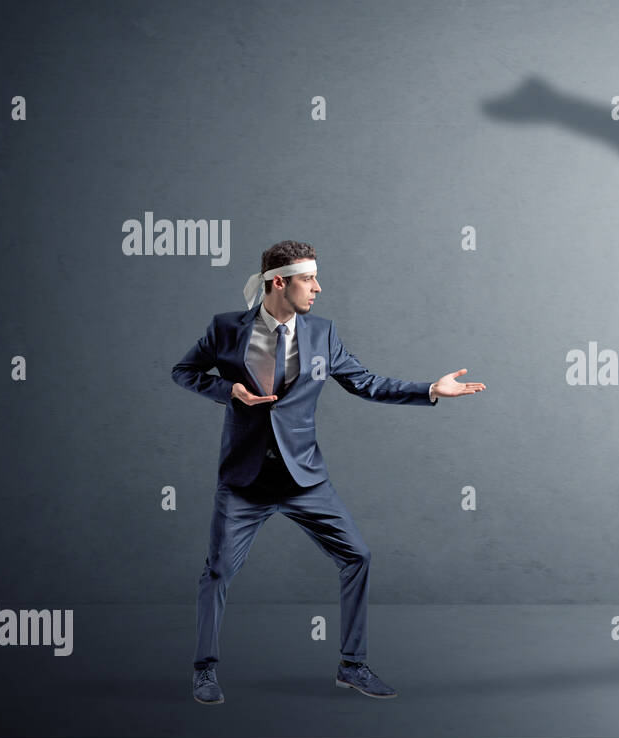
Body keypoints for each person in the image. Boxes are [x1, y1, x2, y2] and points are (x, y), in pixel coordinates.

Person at [172, 240, 484, 704]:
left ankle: (352, 666)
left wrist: (430, 391)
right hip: (244, 481)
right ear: (280, 282)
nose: (318, 288)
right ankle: (204, 670)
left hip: (304, 480)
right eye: (308, 279)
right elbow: (184, 371)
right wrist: (229, 391)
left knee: (357, 556)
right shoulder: (226, 329)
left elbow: (365, 382)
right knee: (216, 571)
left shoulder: (323, 333)